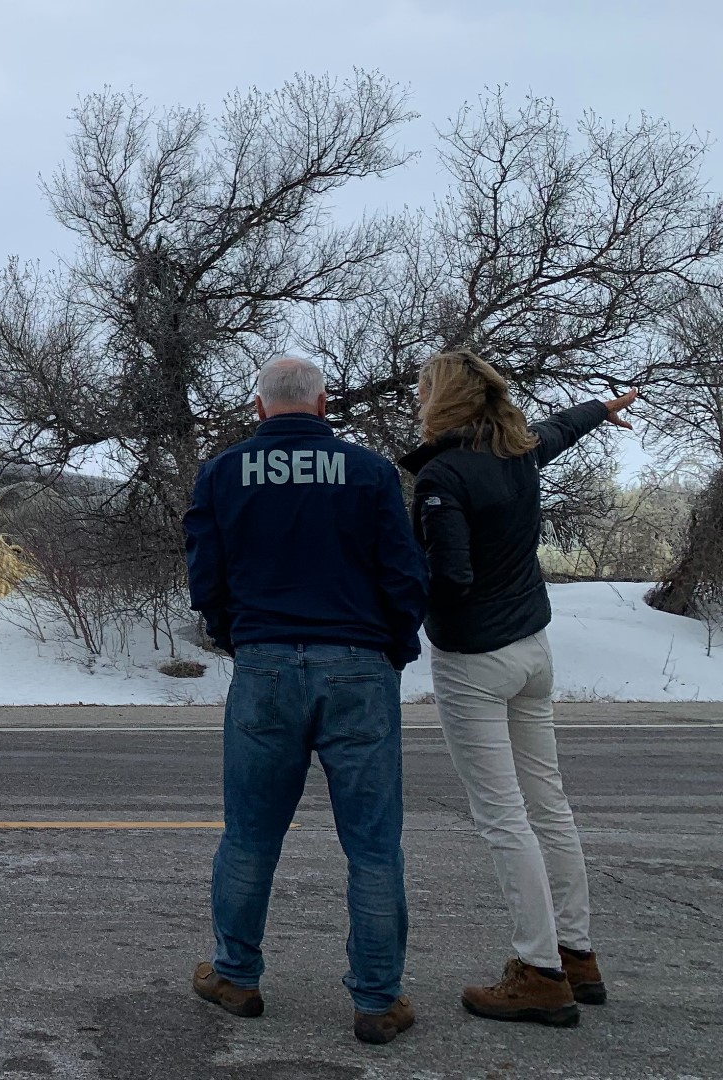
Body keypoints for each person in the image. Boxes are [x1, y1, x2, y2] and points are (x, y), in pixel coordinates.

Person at [184, 356, 429, 1046]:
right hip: (358, 667)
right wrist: (393, 648)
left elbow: (206, 575)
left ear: (259, 409)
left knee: (251, 835)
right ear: (324, 404)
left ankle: (236, 976)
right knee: (374, 847)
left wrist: (241, 637)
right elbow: (405, 575)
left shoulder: (224, 472)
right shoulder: (372, 472)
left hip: (264, 667)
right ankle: (377, 1001)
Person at [399, 349, 636, 1027]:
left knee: (504, 817)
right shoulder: (516, 450)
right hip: (534, 650)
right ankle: (578, 953)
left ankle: (538, 971)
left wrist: (396, 599)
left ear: (441, 399)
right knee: (548, 804)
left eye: (423, 390)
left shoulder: (444, 474)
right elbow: (558, 429)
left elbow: (451, 577)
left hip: (476, 660)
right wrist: (602, 408)